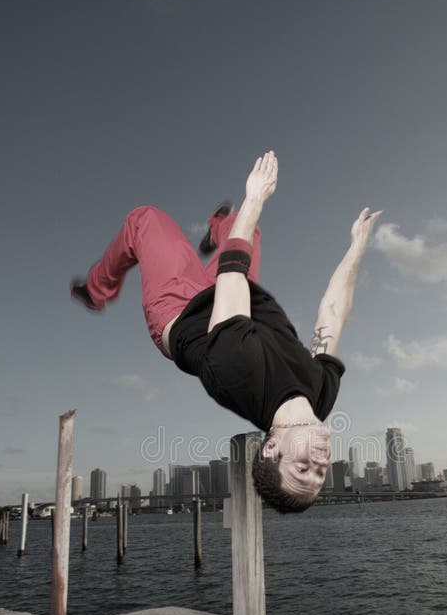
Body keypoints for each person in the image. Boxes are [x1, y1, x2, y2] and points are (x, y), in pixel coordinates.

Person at [71, 151, 381, 512]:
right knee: (244, 227)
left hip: (178, 305)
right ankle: (218, 225)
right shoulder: (322, 395)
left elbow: (233, 269)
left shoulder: (240, 372)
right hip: (235, 297)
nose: (321, 463)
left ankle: (98, 289)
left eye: (302, 468)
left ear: (271, 448)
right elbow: (332, 312)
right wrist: (358, 244)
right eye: (320, 474)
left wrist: (257, 195)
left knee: (145, 218)